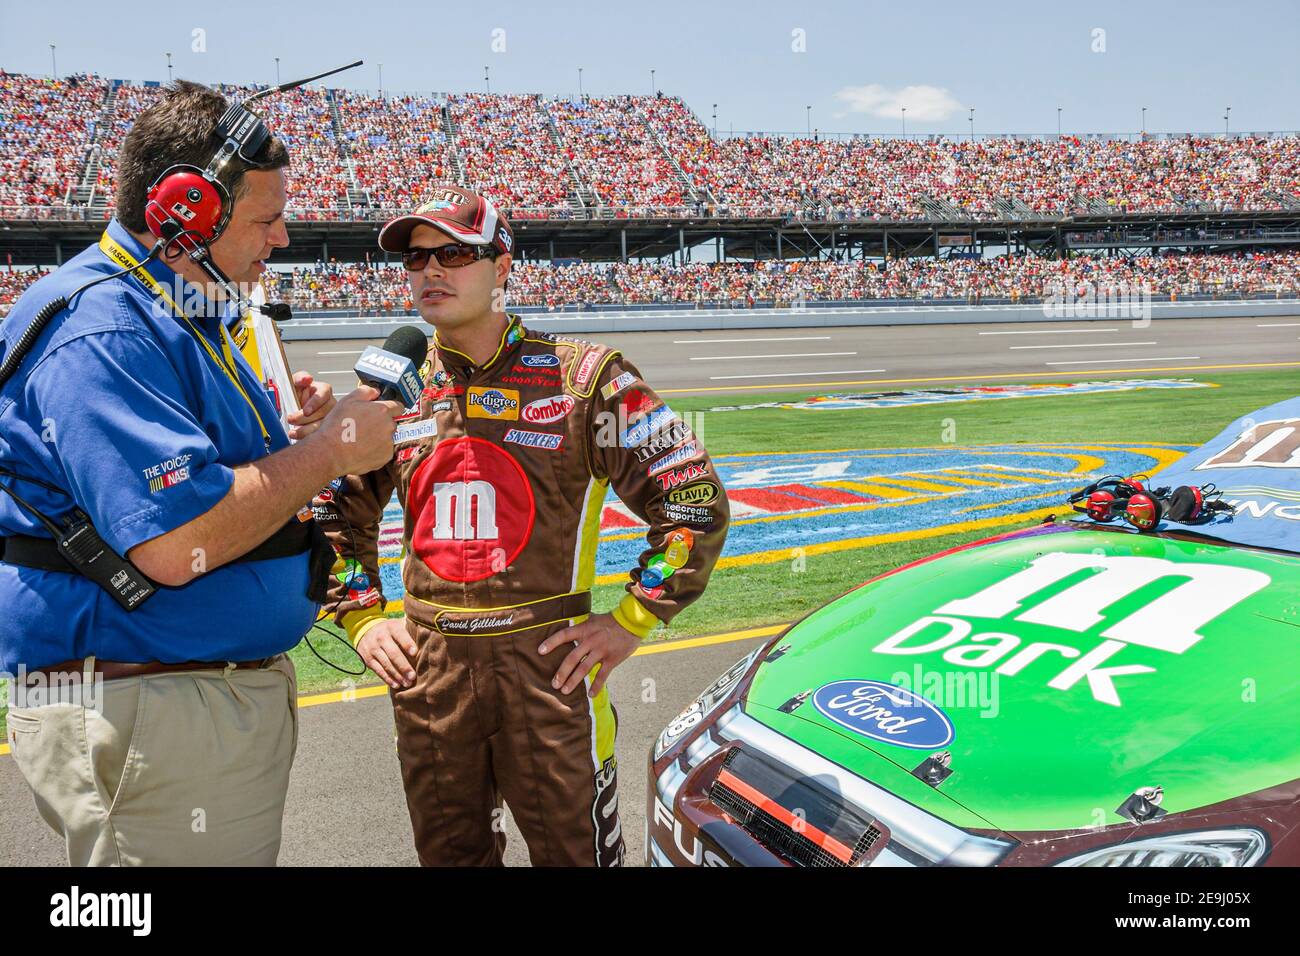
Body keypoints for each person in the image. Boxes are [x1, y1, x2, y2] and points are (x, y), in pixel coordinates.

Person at [0, 81, 403, 866]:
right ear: (183, 210)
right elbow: (174, 542)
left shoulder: (168, 309)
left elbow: (201, 477)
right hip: (153, 705)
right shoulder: (103, 327)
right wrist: (325, 456)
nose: (281, 239)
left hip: (175, 699)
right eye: (264, 218)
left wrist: (293, 438)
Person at [315, 184, 729, 866]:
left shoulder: (588, 380)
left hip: (547, 671)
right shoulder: (394, 390)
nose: (431, 271)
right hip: (431, 672)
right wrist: (363, 617)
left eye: (454, 253)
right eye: (416, 260)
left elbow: (692, 500)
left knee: (575, 857)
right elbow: (329, 512)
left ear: (502, 266)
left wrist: (631, 621)